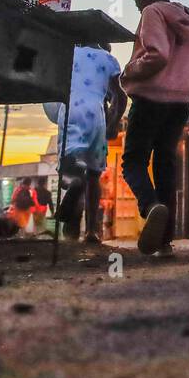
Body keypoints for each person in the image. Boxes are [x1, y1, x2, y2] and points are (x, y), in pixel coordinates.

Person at [120, 0, 189, 257]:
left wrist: (128, 72)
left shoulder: (151, 13)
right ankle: (165, 240)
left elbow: (157, 54)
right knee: (165, 165)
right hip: (178, 104)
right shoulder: (187, 17)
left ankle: (150, 205)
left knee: (132, 161)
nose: (135, 4)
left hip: (149, 99)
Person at [45, 42, 125, 244]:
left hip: (70, 108)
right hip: (97, 113)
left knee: (70, 166)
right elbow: (120, 97)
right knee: (93, 175)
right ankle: (91, 231)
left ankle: (73, 190)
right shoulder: (109, 59)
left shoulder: (68, 53)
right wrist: (114, 123)